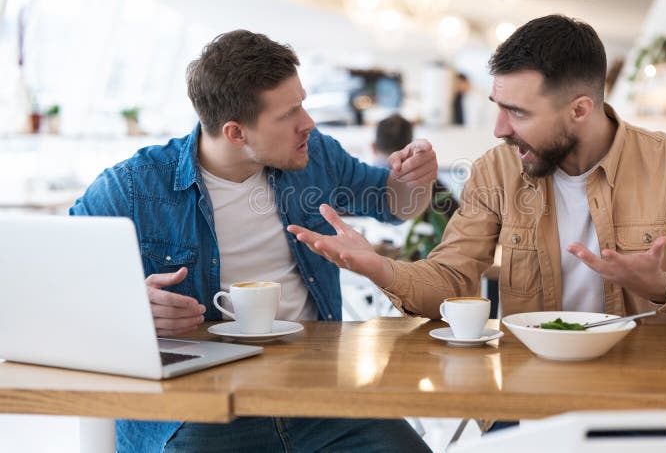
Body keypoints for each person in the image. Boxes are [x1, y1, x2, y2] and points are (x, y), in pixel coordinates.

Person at [70, 30, 435, 453]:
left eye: (303, 103)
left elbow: (393, 203)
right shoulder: (134, 186)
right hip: (202, 407)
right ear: (235, 133)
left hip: (319, 390)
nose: (308, 123)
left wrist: (415, 181)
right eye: (290, 113)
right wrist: (128, 306)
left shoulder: (315, 154)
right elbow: (58, 283)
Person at [288, 14, 666, 333]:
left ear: (580, 110)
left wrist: (659, 286)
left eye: (517, 112)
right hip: (525, 393)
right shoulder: (496, 171)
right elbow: (451, 280)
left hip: (642, 398)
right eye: (498, 106)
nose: (498, 129)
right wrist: (381, 267)